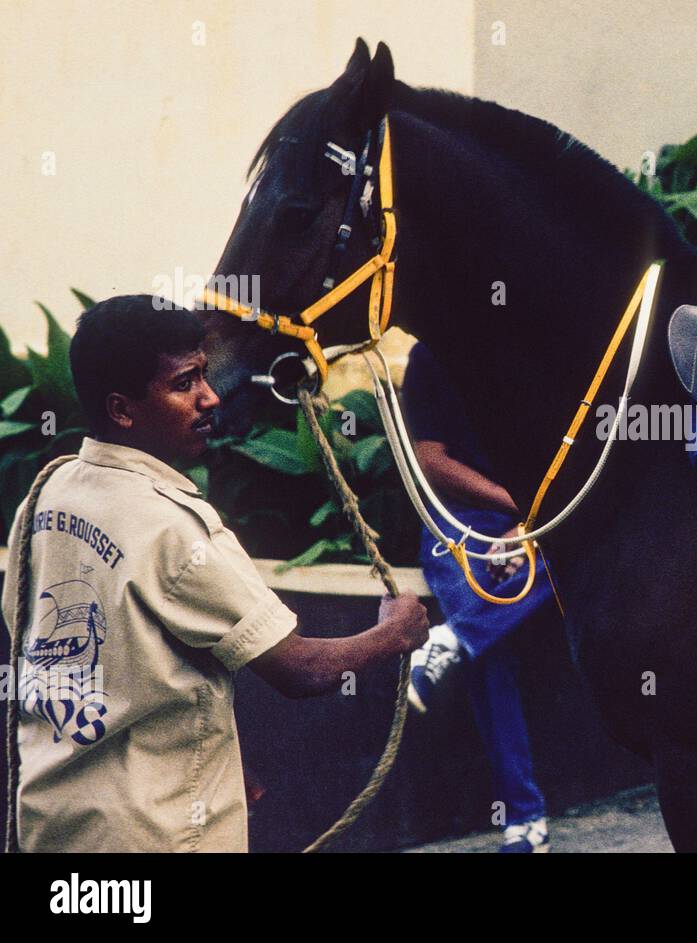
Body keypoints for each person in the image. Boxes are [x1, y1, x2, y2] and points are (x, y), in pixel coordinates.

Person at [1, 295, 430, 852]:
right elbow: (299, 670)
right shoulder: (171, 524)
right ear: (122, 409)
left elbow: (48, 645)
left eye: (204, 375)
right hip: (159, 836)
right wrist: (392, 634)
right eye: (184, 383)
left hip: (56, 827)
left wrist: (220, 757)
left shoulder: (48, 494)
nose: (210, 397)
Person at [401, 340, 552, 854]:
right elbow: (431, 462)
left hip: (545, 516)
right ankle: (525, 818)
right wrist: (518, 510)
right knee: (494, 650)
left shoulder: (536, 345)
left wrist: (530, 524)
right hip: (460, 521)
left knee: (582, 543)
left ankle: (455, 639)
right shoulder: (431, 357)